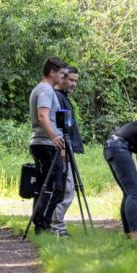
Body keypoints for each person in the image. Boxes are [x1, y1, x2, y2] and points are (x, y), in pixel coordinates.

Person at [28, 56, 68, 236]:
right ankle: (42, 225)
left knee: (50, 186)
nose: (63, 76)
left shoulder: (46, 89)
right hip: (45, 144)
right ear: (51, 72)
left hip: (46, 143)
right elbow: (43, 116)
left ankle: (42, 222)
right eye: (61, 73)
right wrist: (54, 138)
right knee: (53, 187)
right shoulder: (45, 90)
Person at [51, 66, 84, 236]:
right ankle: (56, 226)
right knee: (67, 189)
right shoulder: (56, 97)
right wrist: (64, 152)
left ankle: (55, 225)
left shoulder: (62, 97)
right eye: (71, 80)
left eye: (76, 81)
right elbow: (57, 127)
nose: (74, 84)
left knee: (67, 188)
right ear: (62, 78)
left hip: (67, 148)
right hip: (62, 150)